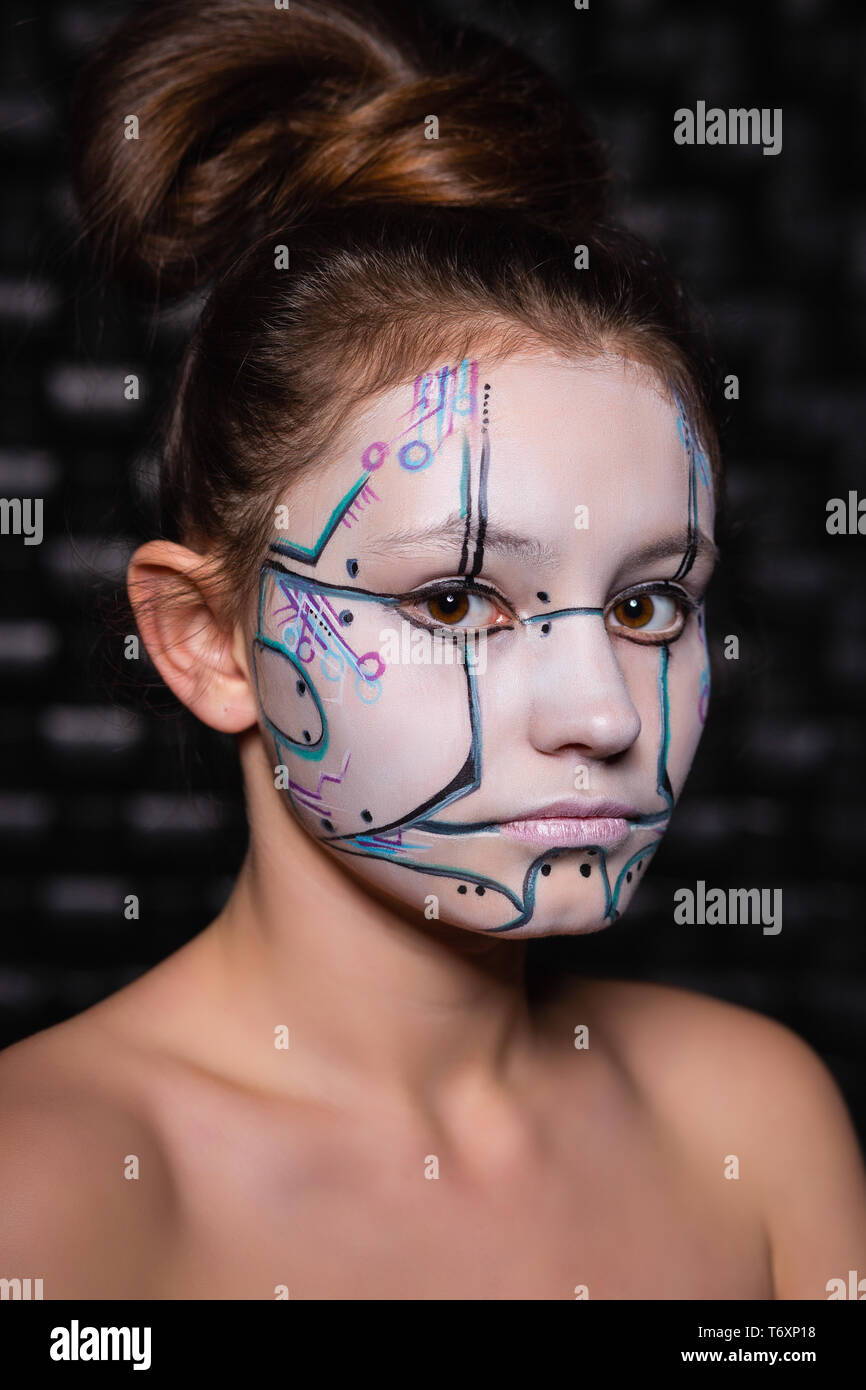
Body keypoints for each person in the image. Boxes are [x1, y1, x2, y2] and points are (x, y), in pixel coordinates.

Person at [1, 0, 864, 1300]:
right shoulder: (47, 1190)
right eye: (458, 602)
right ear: (206, 642)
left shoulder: (752, 1122)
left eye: (646, 605)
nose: (602, 713)